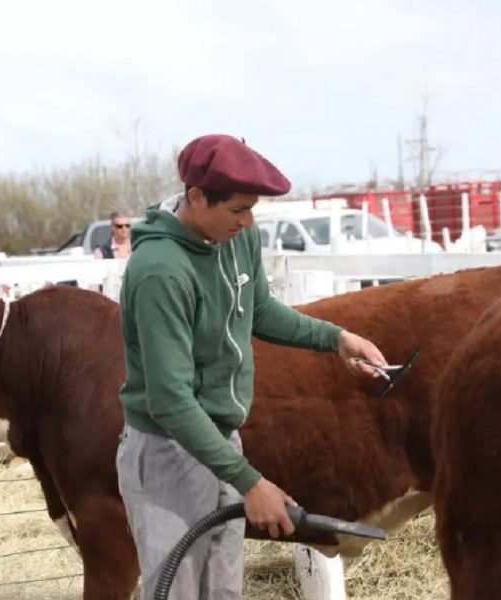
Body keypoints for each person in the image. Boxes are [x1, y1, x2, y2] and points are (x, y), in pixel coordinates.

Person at [115, 133, 388, 599]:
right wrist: (251, 482)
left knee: (223, 591)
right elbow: (170, 400)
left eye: (252, 209)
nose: (247, 221)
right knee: (175, 591)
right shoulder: (161, 270)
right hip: (167, 452)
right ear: (197, 197)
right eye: (238, 209)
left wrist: (335, 338)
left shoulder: (236, 239)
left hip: (221, 440)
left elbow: (260, 310)